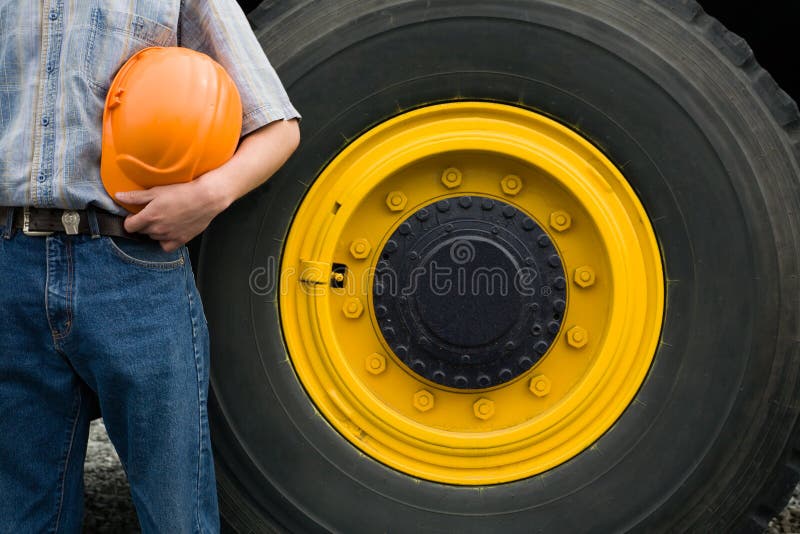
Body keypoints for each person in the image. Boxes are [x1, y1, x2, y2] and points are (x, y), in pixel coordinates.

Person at [0, 1, 300, 532]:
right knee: (23, 513)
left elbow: (277, 126)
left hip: (131, 268)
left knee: (176, 511)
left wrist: (209, 195)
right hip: (10, 268)